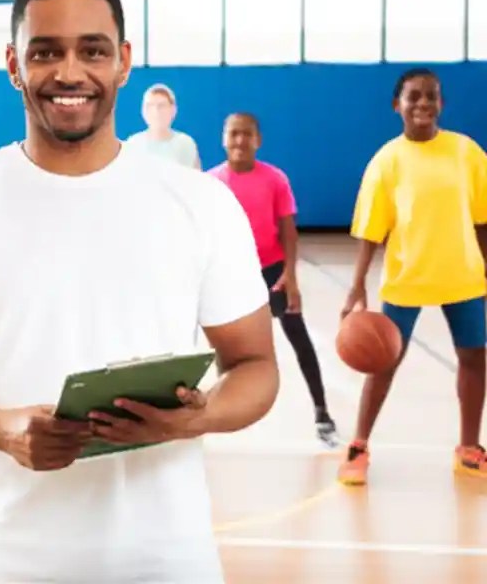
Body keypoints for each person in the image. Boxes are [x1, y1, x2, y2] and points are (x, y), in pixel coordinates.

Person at [0, 0, 278, 582]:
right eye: (46, 51)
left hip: (168, 556)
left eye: (93, 50)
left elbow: (257, 367)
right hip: (7, 556)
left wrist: (198, 416)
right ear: (13, 64)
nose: (69, 72)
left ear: (123, 62)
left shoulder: (202, 203)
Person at [338, 68, 487, 485]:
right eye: (414, 96)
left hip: (464, 277)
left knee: (475, 358)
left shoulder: (466, 153)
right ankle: (359, 445)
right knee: (382, 361)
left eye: (431, 96)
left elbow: (483, 220)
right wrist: (356, 287)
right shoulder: (388, 160)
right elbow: (370, 230)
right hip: (407, 278)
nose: (423, 103)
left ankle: (469, 449)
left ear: (442, 103)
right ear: (396, 105)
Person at [209, 112, 339, 447]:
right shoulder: (211, 182)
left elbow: (288, 231)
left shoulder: (275, 179)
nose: (240, 141)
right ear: (224, 138)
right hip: (229, 274)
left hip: (272, 272)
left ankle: (322, 413)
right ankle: (213, 413)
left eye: (247, 134)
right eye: (234, 134)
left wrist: (290, 275)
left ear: (258, 140)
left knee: (299, 338)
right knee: (217, 346)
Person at [124, 83, 201, 168]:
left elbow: (195, 179)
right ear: (143, 111)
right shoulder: (133, 144)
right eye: (150, 106)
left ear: (173, 110)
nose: (156, 111)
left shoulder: (186, 144)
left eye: (162, 106)